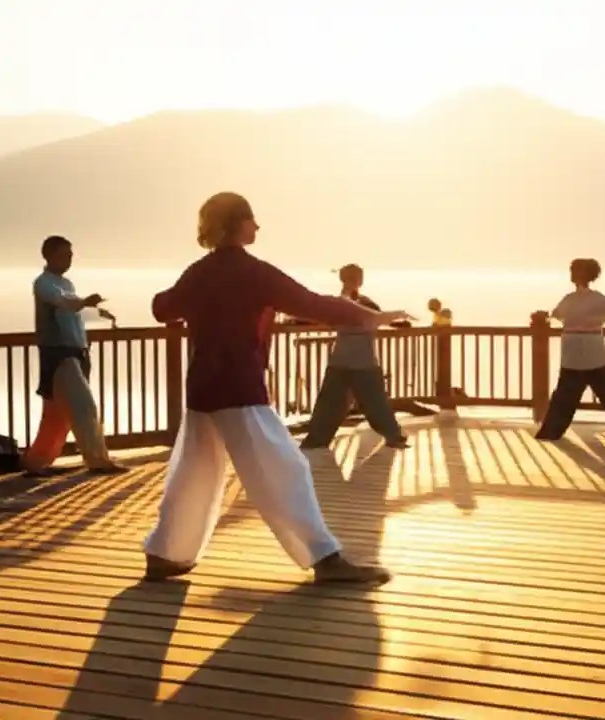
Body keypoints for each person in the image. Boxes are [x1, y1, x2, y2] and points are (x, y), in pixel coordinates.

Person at [142, 192, 409, 584]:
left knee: (193, 473)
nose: (257, 226)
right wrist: (372, 317)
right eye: (252, 219)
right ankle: (324, 557)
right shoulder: (251, 272)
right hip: (238, 386)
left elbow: (162, 307)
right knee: (286, 468)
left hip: (202, 386)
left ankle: (166, 553)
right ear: (237, 225)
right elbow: (312, 303)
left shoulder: (200, 271)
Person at [20, 235, 125, 476]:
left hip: (76, 354)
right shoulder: (43, 284)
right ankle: (98, 461)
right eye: (65, 254)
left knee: (57, 414)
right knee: (84, 406)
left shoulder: (67, 283)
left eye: (70, 254)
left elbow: (73, 313)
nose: (69, 258)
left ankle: (35, 462)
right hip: (59, 355)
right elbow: (64, 303)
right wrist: (84, 302)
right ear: (49, 255)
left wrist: (97, 313)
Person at [535, 258, 605, 440]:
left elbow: (557, 314)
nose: (572, 274)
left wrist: (545, 315)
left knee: (563, 398)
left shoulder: (570, 299)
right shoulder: (595, 299)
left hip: (573, 355)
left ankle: (549, 432)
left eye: (574, 270)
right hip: (593, 355)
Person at [300, 264, 409, 450]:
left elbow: (327, 318)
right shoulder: (361, 304)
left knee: (334, 402)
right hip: (360, 361)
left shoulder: (340, 304)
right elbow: (378, 319)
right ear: (360, 280)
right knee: (373, 402)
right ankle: (393, 436)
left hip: (345, 360)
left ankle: (316, 439)